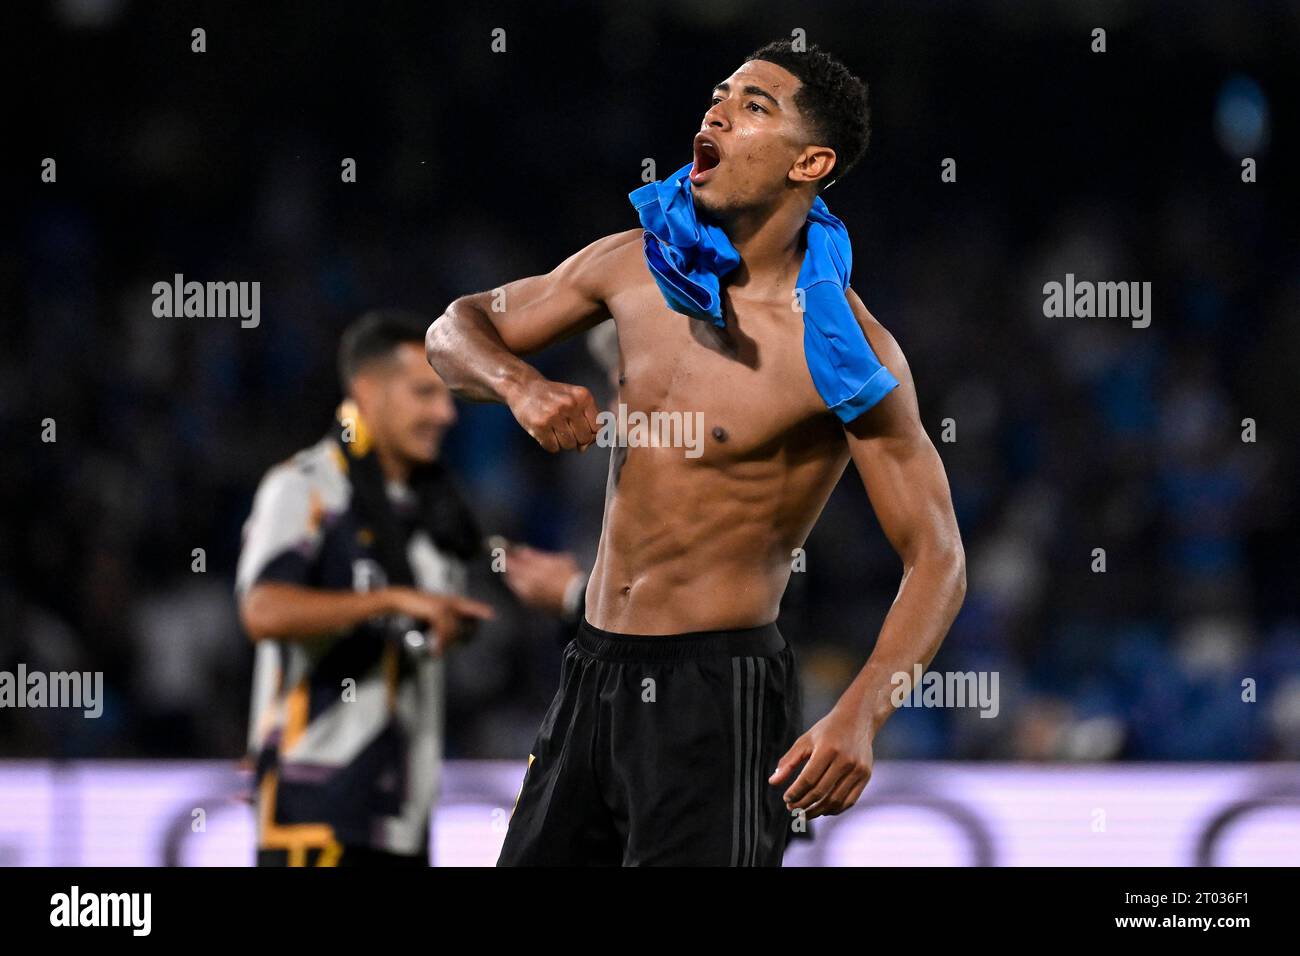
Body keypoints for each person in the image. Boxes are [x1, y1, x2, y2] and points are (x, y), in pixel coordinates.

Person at [427, 40, 965, 866]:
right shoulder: (634, 267)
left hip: (718, 699)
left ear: (810, 161)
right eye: (721, 94)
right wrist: (518, 385)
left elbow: (937, 559)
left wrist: (862, 713)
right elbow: (453, 330)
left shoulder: (847, 351)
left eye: (755, 106)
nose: (717, 111)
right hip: (591, 671)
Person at [236, 309, 492, 866]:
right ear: (367, 391)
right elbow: (263, 610)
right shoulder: (303, 487)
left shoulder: (434, 515)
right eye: (424, 393)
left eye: (446, 396)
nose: (445, 413)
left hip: (403, 819)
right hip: (315, 814)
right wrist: (393, 600)